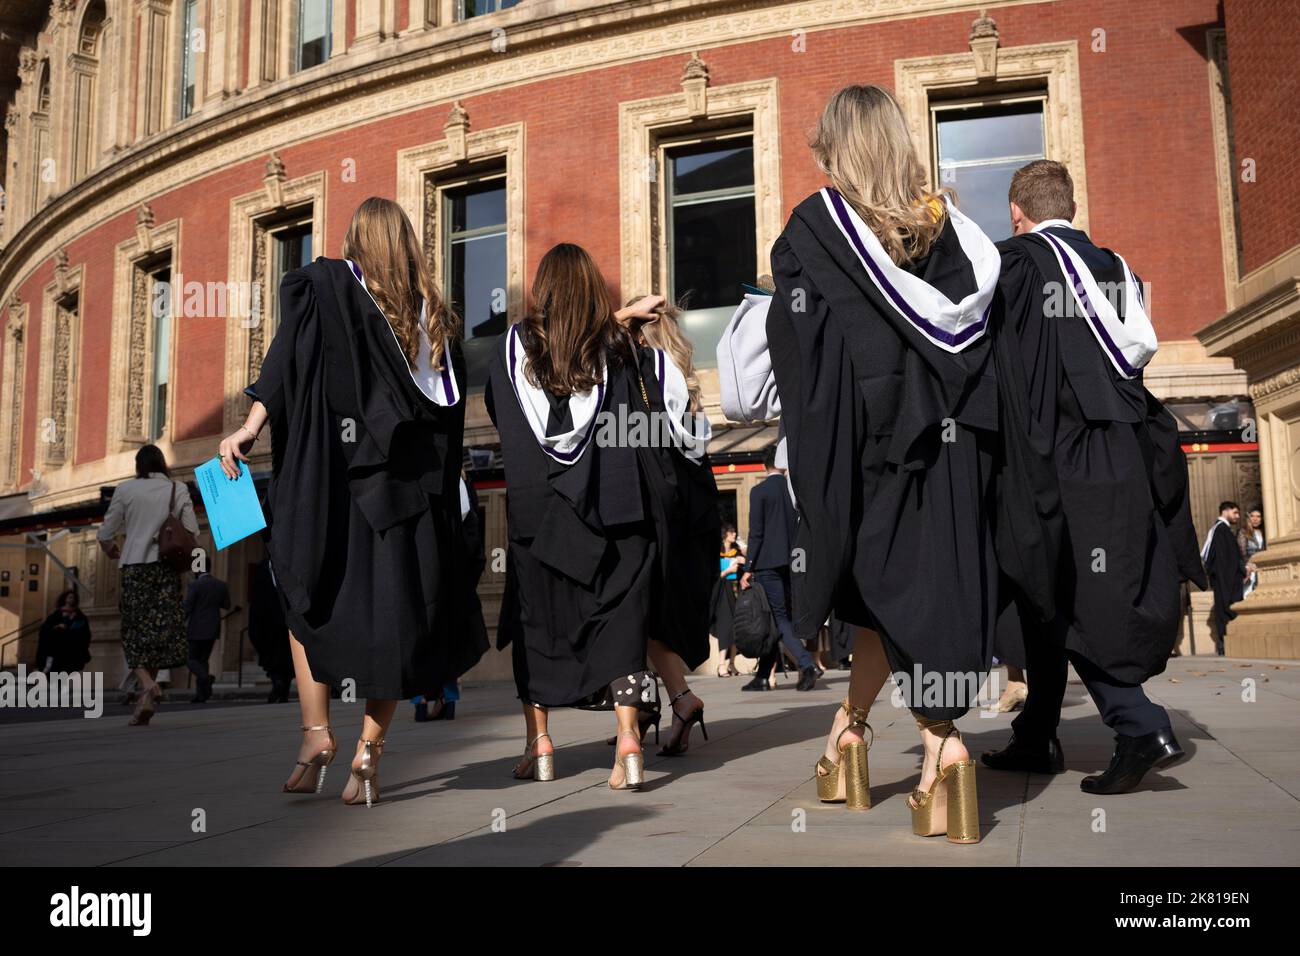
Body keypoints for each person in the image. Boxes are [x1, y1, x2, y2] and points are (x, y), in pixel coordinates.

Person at [724, 85, 1040, 843]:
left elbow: (781, 373)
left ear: (837, 150)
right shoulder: (959, 234)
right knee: (911, 594)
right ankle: (852, 731)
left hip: (872, 455)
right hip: (960, 451)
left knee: (886, 589)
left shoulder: (813, 233)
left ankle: (942, 746)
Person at [218, 196, 486, 807]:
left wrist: (249, 426)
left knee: (301, 595)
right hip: (408, 495)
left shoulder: (329, 287)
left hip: (341, 487)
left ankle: (317, 734)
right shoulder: (433, 315)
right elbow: (444, 414)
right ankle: (369, 752)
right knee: (395, 623)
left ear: (356, 239)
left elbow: (284, 365)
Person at [982, 160, 1207, 795]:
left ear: (1017, 213)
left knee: (1063, 591)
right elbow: (1134, 353)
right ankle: (1036, 735)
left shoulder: (1017, 265)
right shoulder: (1118, 269)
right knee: (1045, 592)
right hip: (1126, 448)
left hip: (1060, 456)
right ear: (1072, 210)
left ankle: (1138, 723)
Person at [486, 244, 712, 790]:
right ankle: (630, 743)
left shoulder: (508, 352)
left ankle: (539, 746)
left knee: (537, 627)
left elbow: (502, 406)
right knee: (621, 630)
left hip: (542, 517)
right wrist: (617, 321)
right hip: (618, 507)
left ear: (543, 293)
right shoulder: (619, 350)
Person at [97, 444, 199, 726]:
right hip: (166, 568)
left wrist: (111, 548)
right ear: (163, 463)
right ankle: (147, 698)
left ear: (138, 465)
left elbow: (106, 530)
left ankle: (147, 685)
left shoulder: (126, 489)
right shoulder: (176, 488)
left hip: (134, 567)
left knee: (133, 628)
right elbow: (191, 529)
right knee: (159, 631)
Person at [739, 444, 818, 692]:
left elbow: (757, 533)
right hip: (791, 563)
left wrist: (749, 566)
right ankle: (763, 676)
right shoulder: (793, 491)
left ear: (764, 465)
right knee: (777, 617)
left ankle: (807, 664)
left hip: (767, 564)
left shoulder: (759, 491)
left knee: (779, 618)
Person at [1202, 501, 1247, 656]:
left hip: (1227, 581)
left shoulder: (1223, 530)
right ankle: (1224, 644)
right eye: (1235, 512)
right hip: (1225, 582)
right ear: (1225, 511)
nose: (1237, 516)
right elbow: (1219, 560)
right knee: (1224, 609)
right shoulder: (1220, 530)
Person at [248, 556, 292, 703]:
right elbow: (256, 596)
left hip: (286, 622)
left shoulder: (289, 564)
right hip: (270, 624)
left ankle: (281, 686)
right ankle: (279, 685)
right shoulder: (263, 568)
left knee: (285, 658)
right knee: (274, 657)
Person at [183, 570, 230, 703]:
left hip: (196, 627)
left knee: (191, 659)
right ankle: (202, 693)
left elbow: (188, 606)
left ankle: (205, 678)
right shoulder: (221, 585)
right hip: (213, 627)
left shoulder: (195, 585)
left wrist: (180, 622)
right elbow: (227, 605)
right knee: (203, 660)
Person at [712, 525, 744, 676]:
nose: (734, 534)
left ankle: (732, 664)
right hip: (722, 594)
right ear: (724, 534)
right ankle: (721, 665)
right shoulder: (715, 553)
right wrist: (727, 571)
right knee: (725, 627)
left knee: (736, 628)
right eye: (731, 532)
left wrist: (743, 560)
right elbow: (712, 577)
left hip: (736, 592)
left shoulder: (737, 550)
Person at [34, 589, 92, 674]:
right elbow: (46, 627)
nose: (72, 600)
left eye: (73, 598)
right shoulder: (58, 613)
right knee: (56, 669)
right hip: (59, 646)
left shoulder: (78, 614)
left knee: (68, 669)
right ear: (65, 599)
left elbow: (85, 630)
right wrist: (57, 626)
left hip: (71, 646)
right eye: (70, 597)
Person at [1239, 505, 1264, 596]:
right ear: (1248, 518)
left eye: (1258, 516)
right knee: (1248, 593)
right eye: (1252, 516)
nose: (1255, 519)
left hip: (1262, 567)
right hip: (1249, 568)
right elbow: (1242, 552)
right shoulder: (1243, 532)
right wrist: (1250, 565)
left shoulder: (1265, 532)